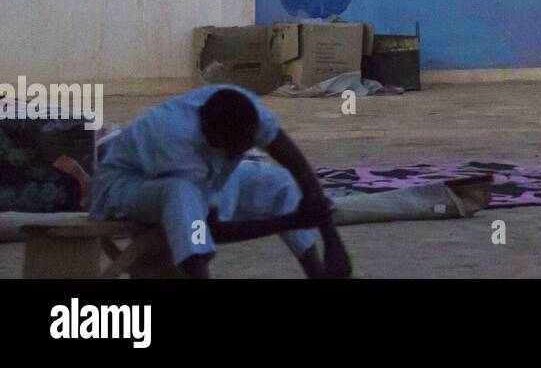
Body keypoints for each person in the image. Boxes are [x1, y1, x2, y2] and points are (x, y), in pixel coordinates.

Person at [90, 84, 350, 278]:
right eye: (234, 150)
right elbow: (209, 230)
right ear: (211, 138)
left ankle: (319, 273)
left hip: (202, 175)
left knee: (278, 181)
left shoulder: (246, 110)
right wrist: (291, 221)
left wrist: (331, 237)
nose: (240, 154)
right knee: (181, 194)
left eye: (245, 146)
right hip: (125, 186)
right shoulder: (174, 144)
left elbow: (295, 161)